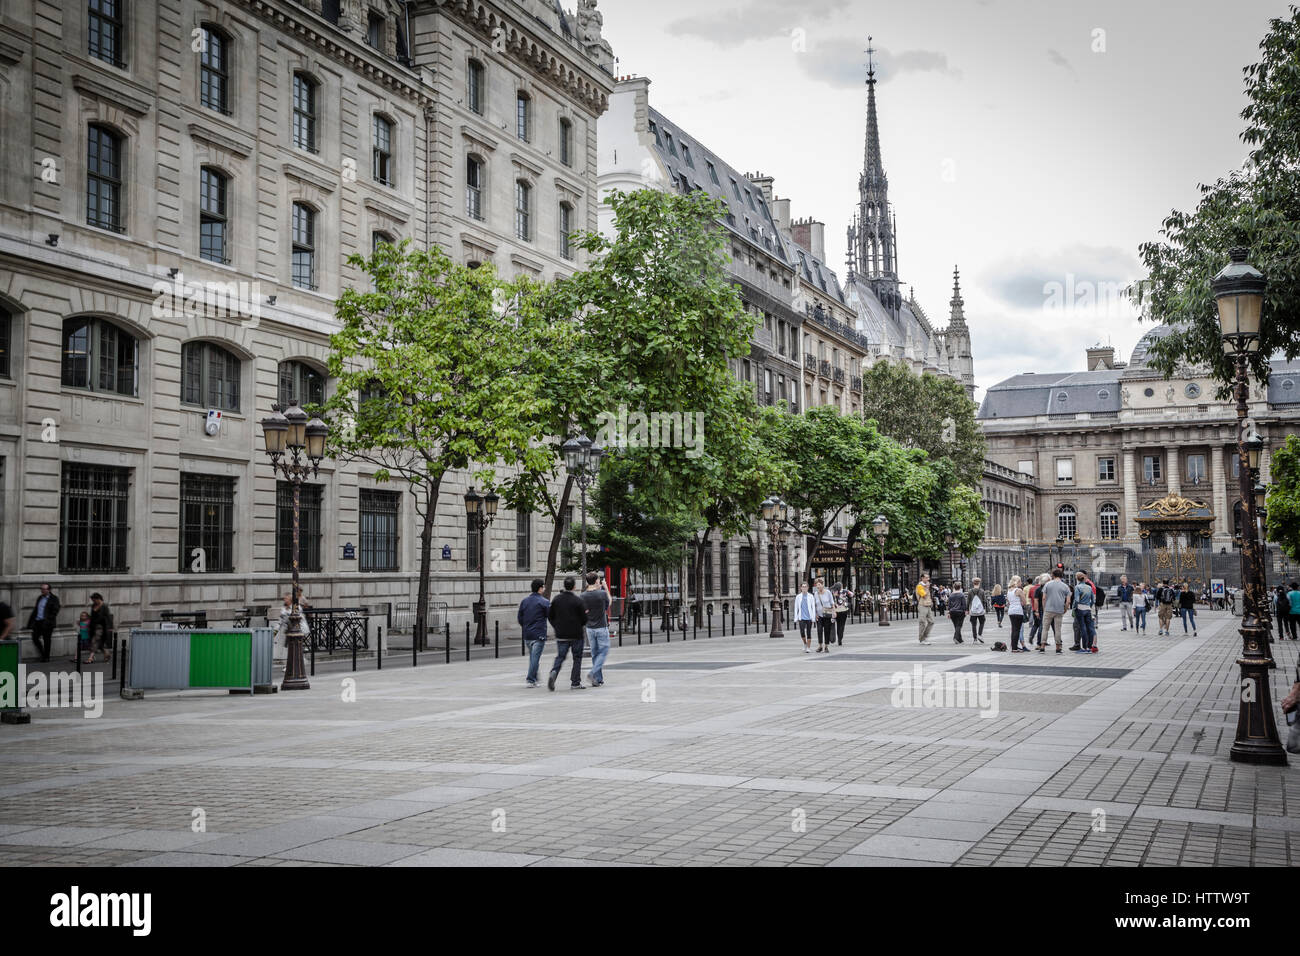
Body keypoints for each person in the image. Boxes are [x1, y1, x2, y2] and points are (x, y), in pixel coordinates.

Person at [546, 577, 587, 691]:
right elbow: (584, 619)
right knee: (577, 658)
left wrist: (556, 626)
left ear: (564, 586)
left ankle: (554, 671)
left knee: (560, 656)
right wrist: (579, 624)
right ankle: (575, 682)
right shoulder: (578, 601)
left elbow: (550, 615)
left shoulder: (557, 599)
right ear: (574, 587)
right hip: (576, 634)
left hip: (561, 634)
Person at [517, 578, 550, 687]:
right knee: (535, 658)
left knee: (533, 657)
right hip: (539, 634)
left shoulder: (524, 601)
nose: (544, 589)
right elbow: (550, 615)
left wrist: (525, 626)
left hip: (527, 634)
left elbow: (520, 618)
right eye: (543, 587)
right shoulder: (544, 602)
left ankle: (535, 678)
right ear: (540, 588)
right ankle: (531, 679)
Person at [582, 571, 612, 687]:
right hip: (601, 627)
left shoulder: (583, 595)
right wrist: (605, 587)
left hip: (590, 628)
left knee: (595, 653)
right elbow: (609, 602)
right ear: (596, 581)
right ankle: (592, 673)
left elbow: (584, 610)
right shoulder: (601, 594)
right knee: (604, 650)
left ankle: (597, 679)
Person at [26, 583, 60, 663]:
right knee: (35, 638)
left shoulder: (54, 599)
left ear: (49, 590)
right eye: (42, 589)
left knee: (47, 640)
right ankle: (43, 654)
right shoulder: (40, 598)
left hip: (47, 623)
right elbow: (36, 610)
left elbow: (55, 611)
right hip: (38, 622)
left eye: (44, 589)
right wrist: (31, 622)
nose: (42, 591)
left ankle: (46, 657)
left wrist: (48, 620)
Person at [1040, 568, 1072, 653]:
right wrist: (1065, 609)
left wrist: (1044, 608)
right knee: (1058, 629)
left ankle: (1042, 646)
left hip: (1048, 609)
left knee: (1045, 629)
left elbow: (1043, 598)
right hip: (1059, 610)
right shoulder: (1065, 586)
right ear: (1061, 575)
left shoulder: (1047, 584)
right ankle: (1058, 647)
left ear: (1053, 575)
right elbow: (1068, 601)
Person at [87, 593, 114, 664]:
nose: (93, 602)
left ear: (98, 599)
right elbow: (92, 616)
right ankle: (107, 654)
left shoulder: (104, 606)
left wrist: (110, 627)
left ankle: (91, 658)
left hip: (101, 627)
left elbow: (108, 617)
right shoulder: (93, 606)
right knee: (100, 643)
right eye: (92, 600)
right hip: (94, 626)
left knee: (95, 640)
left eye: (94, 600)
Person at [1073, 571, 1097, 652]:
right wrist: (1089, 606)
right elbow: (1093, 600)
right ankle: (1090, 647)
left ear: (1077, 579)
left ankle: (1084, 647)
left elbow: (1076, 600)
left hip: (1080, 608)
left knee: (1082, 628)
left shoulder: (1077, 587)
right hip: (1087, 609)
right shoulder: (1089, 587)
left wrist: (1074, 608)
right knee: (1089, 628)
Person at [812, 578, 835, 652]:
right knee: (819, 630)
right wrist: (815, 614)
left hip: (827, 615)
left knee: (827, 630)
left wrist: (834, 612)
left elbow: (832, 603)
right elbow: (814, 605)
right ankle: (820, 646)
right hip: (819, 615)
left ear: (822, 585)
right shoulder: (815, 594)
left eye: (819, 584)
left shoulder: (828, 592)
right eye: (816, 585)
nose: (817, 586)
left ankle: (826, 646)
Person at [793, 581, 816, 653]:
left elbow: (813, 607)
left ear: (808, 588)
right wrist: (795, 617)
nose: (804, 588)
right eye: (803, 587)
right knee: (802, 632)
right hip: (801, 617)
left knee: (809, 632)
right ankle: (805, 644)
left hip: (809, 617)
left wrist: (813, 617)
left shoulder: (811, 596)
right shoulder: (798, 597)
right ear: (800, 588)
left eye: (805, 587)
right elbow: (796, 608)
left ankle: (808, 647)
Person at [1006, 575, 1027, 652]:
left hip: (1011, 611)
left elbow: (1008, 601)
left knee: (1013, 629)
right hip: (1018, 611)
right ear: (1017, 582)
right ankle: (1015, 648)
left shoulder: (1009, 590)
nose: (1021, 583)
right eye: (1020, 581)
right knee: (1017, 630)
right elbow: (1024, 602)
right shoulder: (1018, 590)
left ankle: (1014, 646)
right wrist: (1020, 603)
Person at [965, 578, 988, 643]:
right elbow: (984, 601)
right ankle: (979, 634)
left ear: (973, 583)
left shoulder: (970, 591)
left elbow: (968, 601)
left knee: (973, 625)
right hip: (980, 611)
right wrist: (984, 609)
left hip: (973, 610)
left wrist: (967, 610)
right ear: (979, 583)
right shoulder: (982, 591)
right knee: (982, 622)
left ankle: (975, 639)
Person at [916, 574, 935, 645]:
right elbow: (924, 595)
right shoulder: (920, 586)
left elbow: (928, 596)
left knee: (931, 621)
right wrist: (927, 588)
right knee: (922, 622)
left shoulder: (925, 586)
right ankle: (922, 639)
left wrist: (931, 602)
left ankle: (925, 636)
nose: (928, 579)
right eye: (926, 578)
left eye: (928, 577)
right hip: (922, 605)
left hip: (928, 605)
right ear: (922, 578)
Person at [833, 581, 853, 646]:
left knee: (838, 624)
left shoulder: (834, 592)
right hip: (844, 609)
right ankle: (840, 638)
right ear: (841, 586)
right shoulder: (845, 591)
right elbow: (852, 594)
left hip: (837, 610)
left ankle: (839, 636)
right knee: (842, 624)